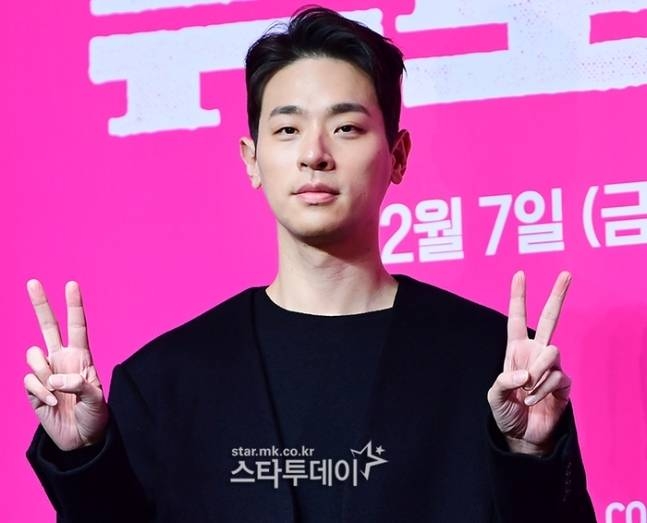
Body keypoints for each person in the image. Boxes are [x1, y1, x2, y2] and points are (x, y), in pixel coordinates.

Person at [24, 6, 596, 522]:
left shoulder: (492, 366)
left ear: (397, 156)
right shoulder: (165, 381)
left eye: (346, 128)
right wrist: (82, 458)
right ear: (252, 159)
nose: (315, 154)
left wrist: (530, 453)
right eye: (287, 129)